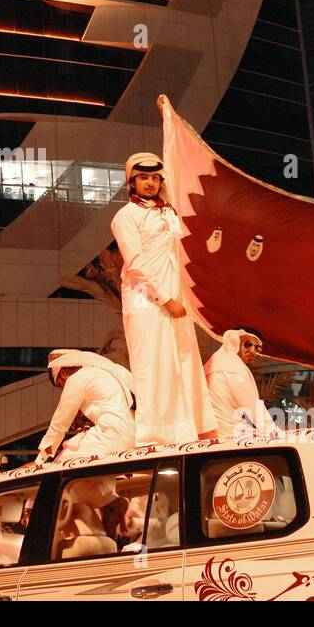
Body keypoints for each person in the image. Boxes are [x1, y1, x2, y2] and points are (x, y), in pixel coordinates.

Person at [110, 152, 215, 446]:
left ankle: (191, 430)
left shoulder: (168, 213)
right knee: (153, 366)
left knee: (182, 362)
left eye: (156, 178)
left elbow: (184, 247)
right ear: (132, 181)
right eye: (144, 177)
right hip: (146, 302)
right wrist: (165, 299)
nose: (151, 183)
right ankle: (157, 437)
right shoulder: (125, 217)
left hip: (176, 301)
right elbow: (136, 265)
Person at [35, 349, 136, 464]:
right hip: (134, 435)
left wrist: (40, 460)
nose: (62, 388)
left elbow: (59, 425)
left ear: (63, 373)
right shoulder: (105, 372)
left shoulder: (77, 378)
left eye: (60, 384)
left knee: (63, 463)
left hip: (111, 435)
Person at [205, 329, 278, 440]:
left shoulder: (214, 362)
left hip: (207, 437)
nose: (253, 351)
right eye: (248, 344)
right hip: (229, 437)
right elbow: (256, 411)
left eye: (257, 348)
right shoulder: (233, 366)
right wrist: (276, 435)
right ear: (234, 341)